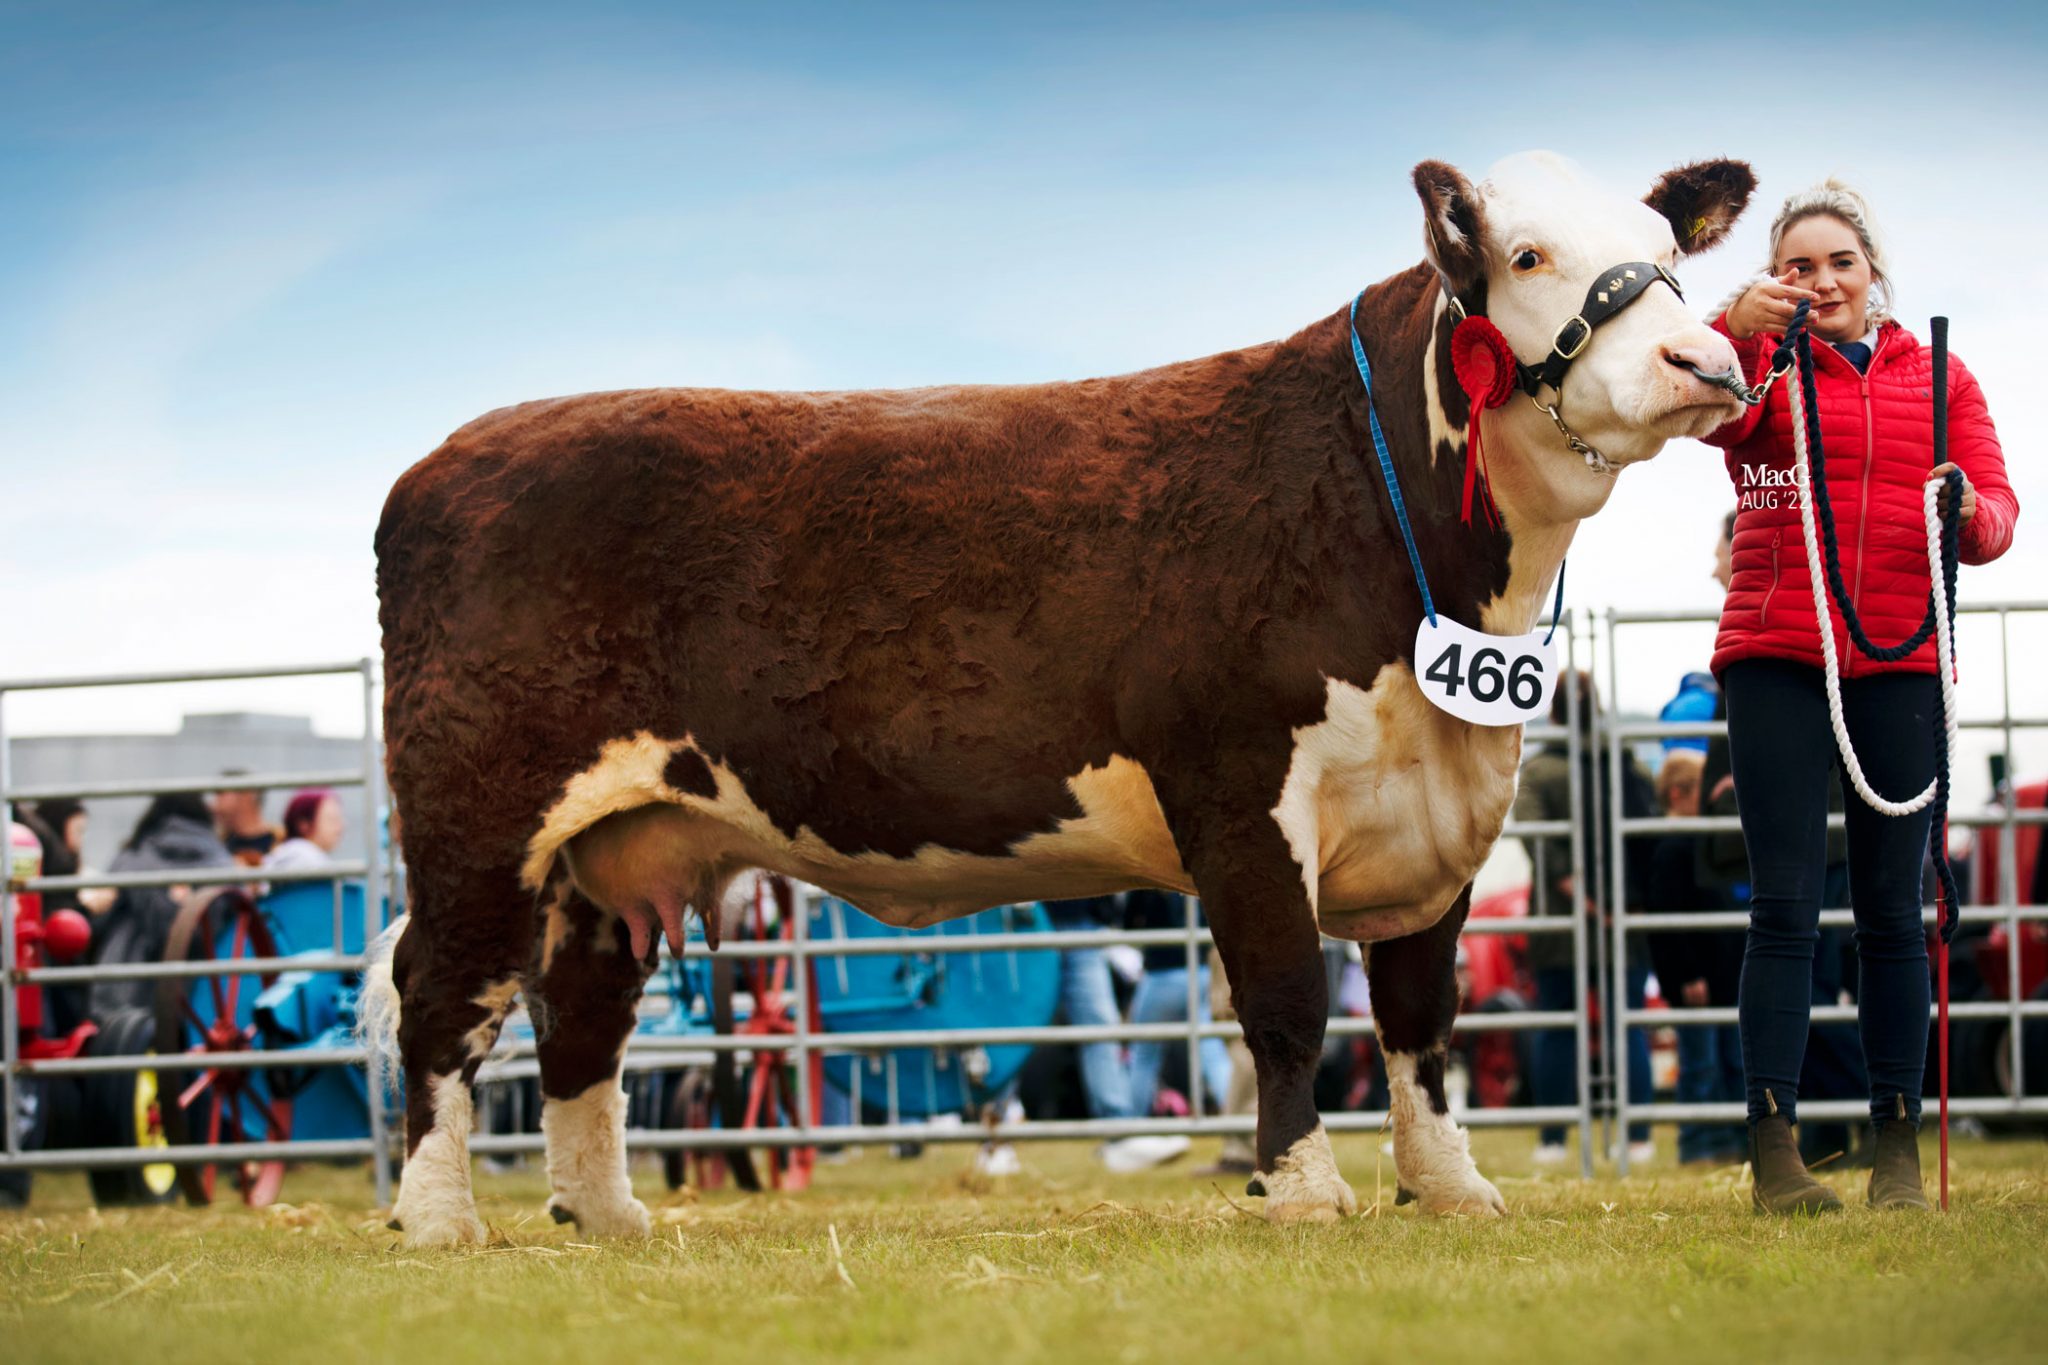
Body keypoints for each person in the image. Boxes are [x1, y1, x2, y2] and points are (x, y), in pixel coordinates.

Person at [1705, 178, 2018, 1212]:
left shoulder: (1940, 378)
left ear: (1870, 270)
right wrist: (1732, 329)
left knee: (1892, 911)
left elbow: (1995, 514)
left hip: (1901, 660)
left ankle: (1893, 1148)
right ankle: (1774, 1152)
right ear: (1771, 281)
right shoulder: (1755, 366)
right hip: (1777, 654)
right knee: (1784, 906)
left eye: (1837, 261)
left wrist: (1969, 508)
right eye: (1795, 266)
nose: (1819, 281)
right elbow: (1704, 415)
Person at [1514, 672, 1657, 1166]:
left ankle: (1553, 1138)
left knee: (1557, 1027)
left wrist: (1572, 885)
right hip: (1625, 918)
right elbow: (1649, 826)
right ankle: (1637, 1137)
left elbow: (1532, 833)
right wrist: (1623, 902)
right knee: (1628, 1024)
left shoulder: (1537, 771)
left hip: (1560, 923)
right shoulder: (1625, 762)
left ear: (1551, 713)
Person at [1646, 751, 1745, 1165]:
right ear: (1679, 793)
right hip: (1698, 978)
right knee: (1701, 1062)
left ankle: (1729, 1142)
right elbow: (1669, 922)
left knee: (1726, 1058)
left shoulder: (1701, 843)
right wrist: (1686, 973)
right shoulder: (1673, 848)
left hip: (1719, 971)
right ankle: (1698, 1143)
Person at [90, 793, 235, 1013]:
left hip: (127, 994)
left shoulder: (131, 859)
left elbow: (100, 920)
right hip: (205, 996)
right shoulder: (224, 865)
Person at [1119, 890, 1234, 1124]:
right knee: (1211, 1049)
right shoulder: (1195, 871)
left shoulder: (1148, 875)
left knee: (1143, 1054)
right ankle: (1236, 1116)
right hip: (1200, 972)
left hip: (1161, 974)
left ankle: (1129, 1125)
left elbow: (1128, 923)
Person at [262, 789, 345, 872]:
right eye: (332, 819)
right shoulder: (305, 858)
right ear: (304, 825)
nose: (341, 827)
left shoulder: (284, 854)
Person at [215, 772, 284, 867]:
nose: (215, 805)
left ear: (246, 794)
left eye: (221, 793)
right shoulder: (216, 846)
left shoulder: (284, 844)